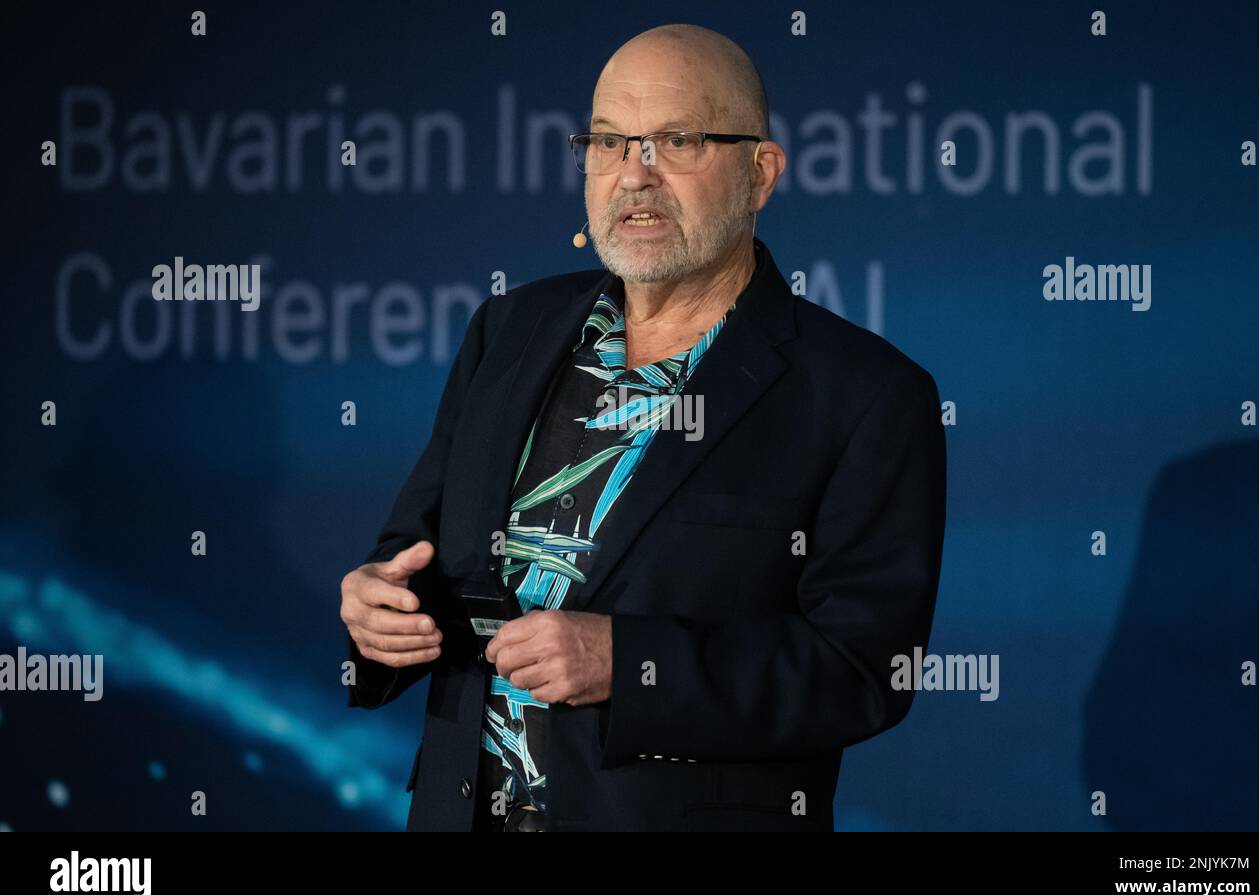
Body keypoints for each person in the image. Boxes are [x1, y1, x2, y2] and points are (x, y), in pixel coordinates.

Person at [340, 23, 946, 831]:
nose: (635, 174)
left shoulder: (864, 394)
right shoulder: (509, 331)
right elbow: (409, 553)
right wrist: (377, 611)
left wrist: (628, 663)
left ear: (760, 174)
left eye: (678, 140)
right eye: (609, 141)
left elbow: (862, 669)